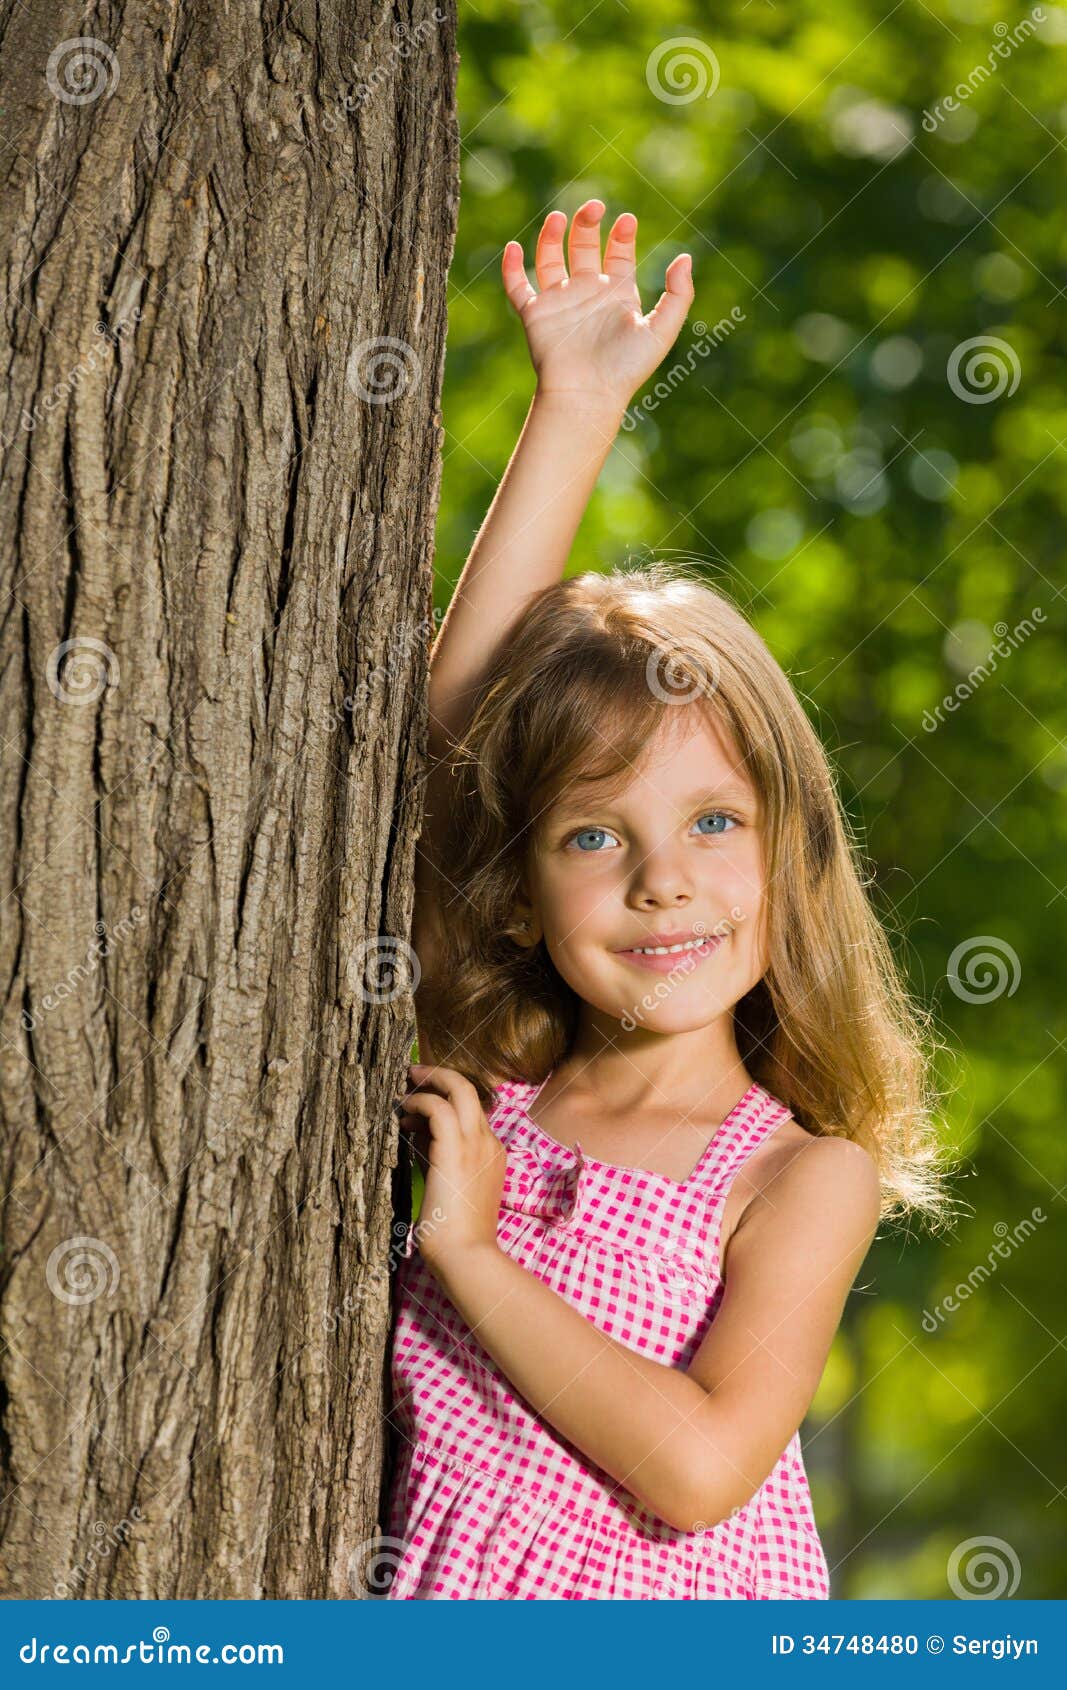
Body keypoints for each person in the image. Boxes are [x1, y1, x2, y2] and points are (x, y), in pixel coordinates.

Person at [380, 200, 950, 1600]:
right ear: (517, 893)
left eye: (711, 820)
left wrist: (465, 1250)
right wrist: (572, 408)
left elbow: (699, 1465)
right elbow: (456, 748)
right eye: (590, 836)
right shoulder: (488, 1098)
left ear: (787, 860)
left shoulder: (795, 1175)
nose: (662, 880)